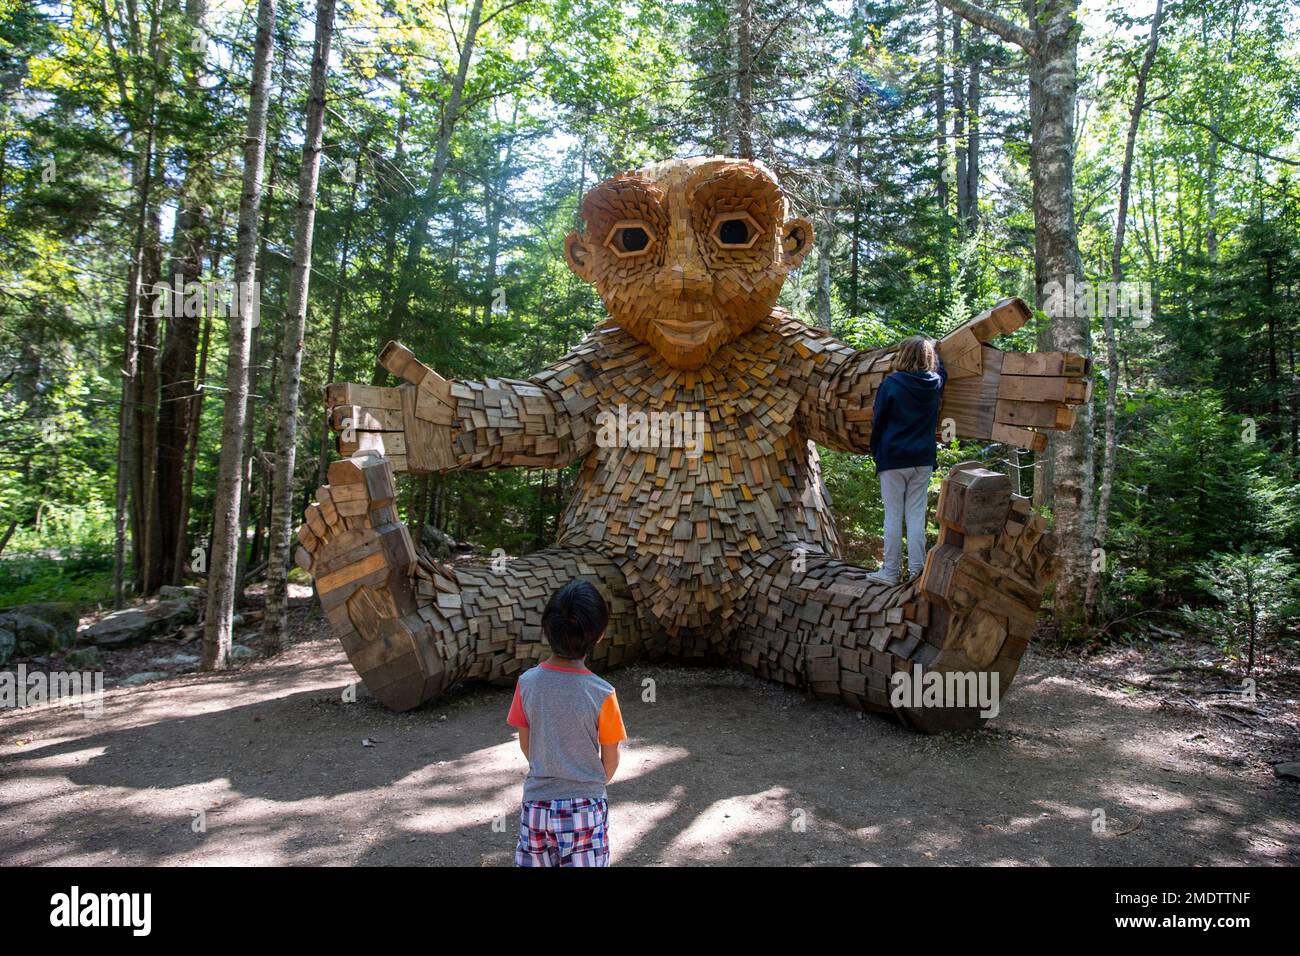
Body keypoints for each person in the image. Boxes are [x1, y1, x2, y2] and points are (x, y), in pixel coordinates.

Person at [506, 579, 627, 866]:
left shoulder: (527, 684)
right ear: (598, 636)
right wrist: (588, 782)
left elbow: (528, 745)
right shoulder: (603, 693)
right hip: (585, 808)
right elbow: (610, 761)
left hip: (536, 805)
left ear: (547, 629)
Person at [867, 335, 947, 585]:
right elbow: (942, 372)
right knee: (915, 517)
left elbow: (877, 421)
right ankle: (917, 574)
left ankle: (890, 572)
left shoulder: (891, 383)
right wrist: (936, 349)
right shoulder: (934, 383)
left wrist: (876, 452)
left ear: (902, 355)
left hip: (893, 458)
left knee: (892, 516)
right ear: (928, 358)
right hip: (922, 458)